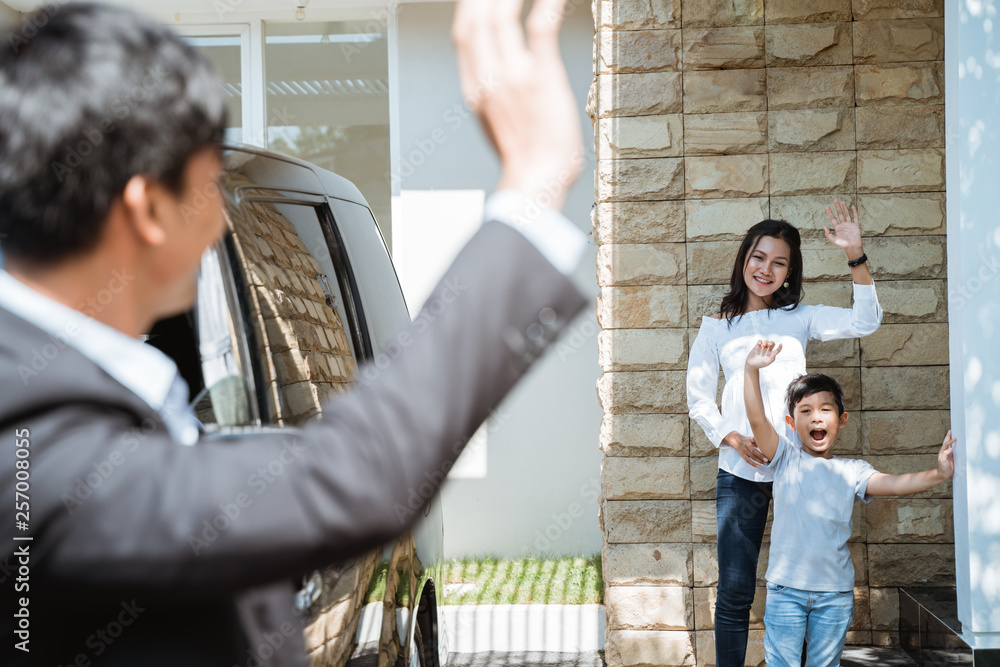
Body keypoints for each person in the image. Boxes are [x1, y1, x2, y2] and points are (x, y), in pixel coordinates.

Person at [0, 1, 586, 665]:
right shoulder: (29, 448)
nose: (222, 218)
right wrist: (534, 186)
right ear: (150, 207)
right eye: (210, 187)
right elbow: (349, 473)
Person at [686, 203, 883, 666]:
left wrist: (855, 254)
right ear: (744, 260)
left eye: (779, 262)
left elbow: (866, 321)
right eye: (759, 257)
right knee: (736, 589)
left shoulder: (801, 317)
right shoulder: (717, 327)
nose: (766, 269)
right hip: (742, 472)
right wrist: (730, 437)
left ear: (789, 272)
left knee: (806, 580)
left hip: (798, 472)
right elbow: (698, 397)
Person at [743, 340, 955, 667]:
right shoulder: (784, 457)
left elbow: (894, 485)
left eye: (825, 409)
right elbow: (757, 421)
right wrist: (751, 370)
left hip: (834, 596)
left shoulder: (852, 470)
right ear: (791, 423)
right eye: (806, 411)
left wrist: (939, 474)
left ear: (841, 420)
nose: (816, 418)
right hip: (786, 592)